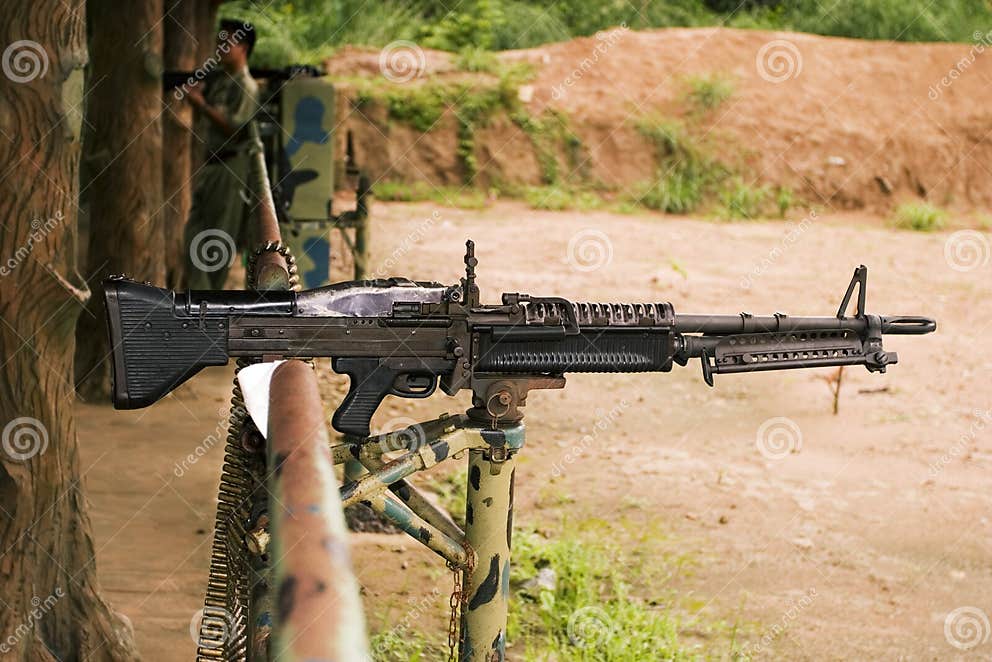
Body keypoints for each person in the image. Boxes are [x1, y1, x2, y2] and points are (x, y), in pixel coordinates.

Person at [183, 19, 261, 289]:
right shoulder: (221, 81)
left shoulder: (246, 86)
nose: (221, 47)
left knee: (218, 240)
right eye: (220, 41)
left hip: (230, 167)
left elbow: (234, 127)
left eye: (228, 42)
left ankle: (209, 304)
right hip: (211, 164)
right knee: (194, 233)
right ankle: (198, 298)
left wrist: (201, 104)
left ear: (244, 48)